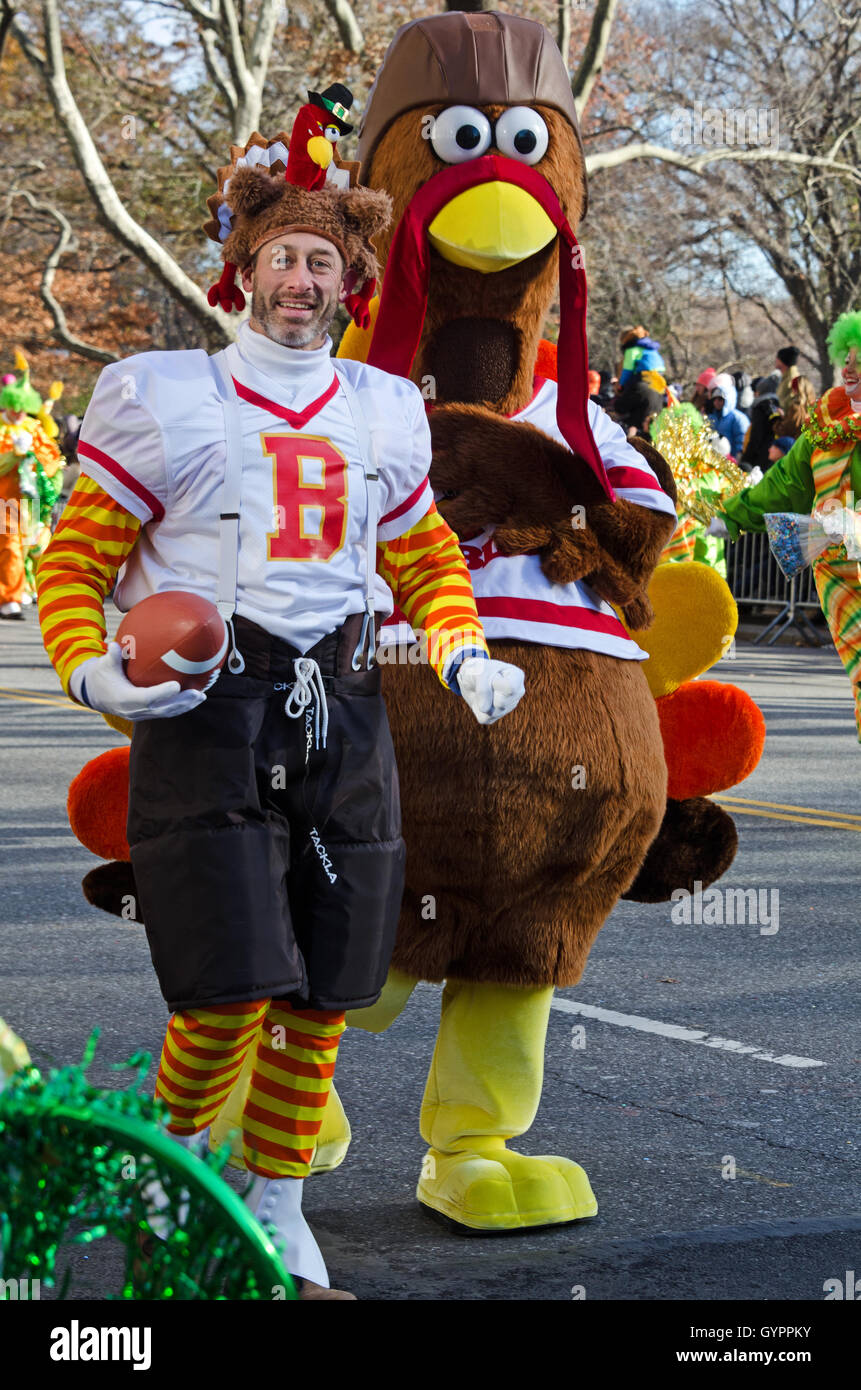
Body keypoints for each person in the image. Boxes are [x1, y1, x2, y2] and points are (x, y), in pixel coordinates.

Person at [36, 118, 526, 1297]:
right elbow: (74, 564)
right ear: (243, 267)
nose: (301, 281)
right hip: (211, 710)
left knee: (325, 988)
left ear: (350, 285)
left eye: (323, 263)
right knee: (229, 978)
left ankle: (278, 1197)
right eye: (282, 258)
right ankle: (177, 1158)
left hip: (343, 702)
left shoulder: (380, 408)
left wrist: (460, 650)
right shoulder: (162, 395)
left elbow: (423, 561)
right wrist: (95, 673)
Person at [712, 311, 861, 740]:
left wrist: (852, 525)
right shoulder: (826, 425)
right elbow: (784, 486)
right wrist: (734, 514)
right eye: (846, 358)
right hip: (839, 576)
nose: (848, 368)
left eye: (859, 360)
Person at [708, 372, 750, 458]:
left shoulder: (738, 418)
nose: (717, 402)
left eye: (720, 399)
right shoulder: (711, 417)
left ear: (728, 399)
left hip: (731, 461)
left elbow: (742, 440)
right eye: (714, 399)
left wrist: (738, 459)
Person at [775, 345, 800, 412]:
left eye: (777, 358)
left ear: (782, 361)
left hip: (788, 419)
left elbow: (791, 402)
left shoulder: (792, 378)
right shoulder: (786, 377)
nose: (775, 360)